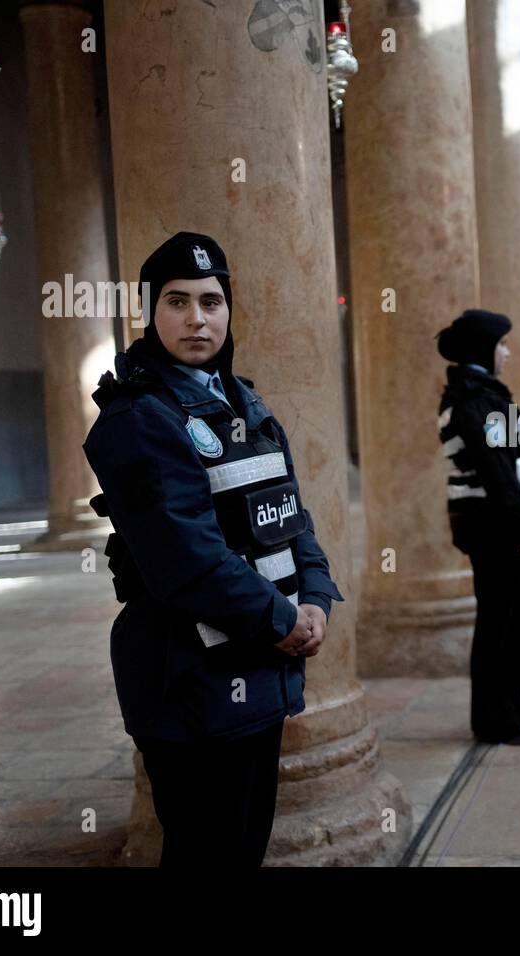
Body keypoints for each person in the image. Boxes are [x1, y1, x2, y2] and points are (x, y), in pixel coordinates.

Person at [83, 232, 343, 867]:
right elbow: (185, 561)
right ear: (150, 312)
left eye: (211, 301)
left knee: (243, 846)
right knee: (207, 853)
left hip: (258, 668)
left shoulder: (242, 400)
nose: (197, 318)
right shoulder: (139, 417)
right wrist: (283, 621)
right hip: (189, 680)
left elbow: (291, 516)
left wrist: (315, 598)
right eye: (177, 302)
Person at [436, 309, 520, 746]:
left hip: (502, 524)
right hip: (495, 527)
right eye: (501, 343)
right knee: (501, 619)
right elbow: (498, 471)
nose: (508, 351)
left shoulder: (482, 393)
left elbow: (515, 463)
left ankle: (509, 700)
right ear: (483, 348)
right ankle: (494, 717)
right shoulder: (473, 399)